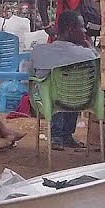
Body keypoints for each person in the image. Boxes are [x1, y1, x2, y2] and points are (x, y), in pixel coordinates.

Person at [26, 11, 98, 150]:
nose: (85, 31)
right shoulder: (86, 54)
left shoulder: (39, 51)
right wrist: (89, 46)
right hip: (79, 101)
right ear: (71, 29)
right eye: (82, 27)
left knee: (56, 90)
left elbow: (30, 74)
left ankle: (57, 137)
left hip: (43, 102)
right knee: (70, 89)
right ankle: (65, 135)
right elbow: (99, 65)